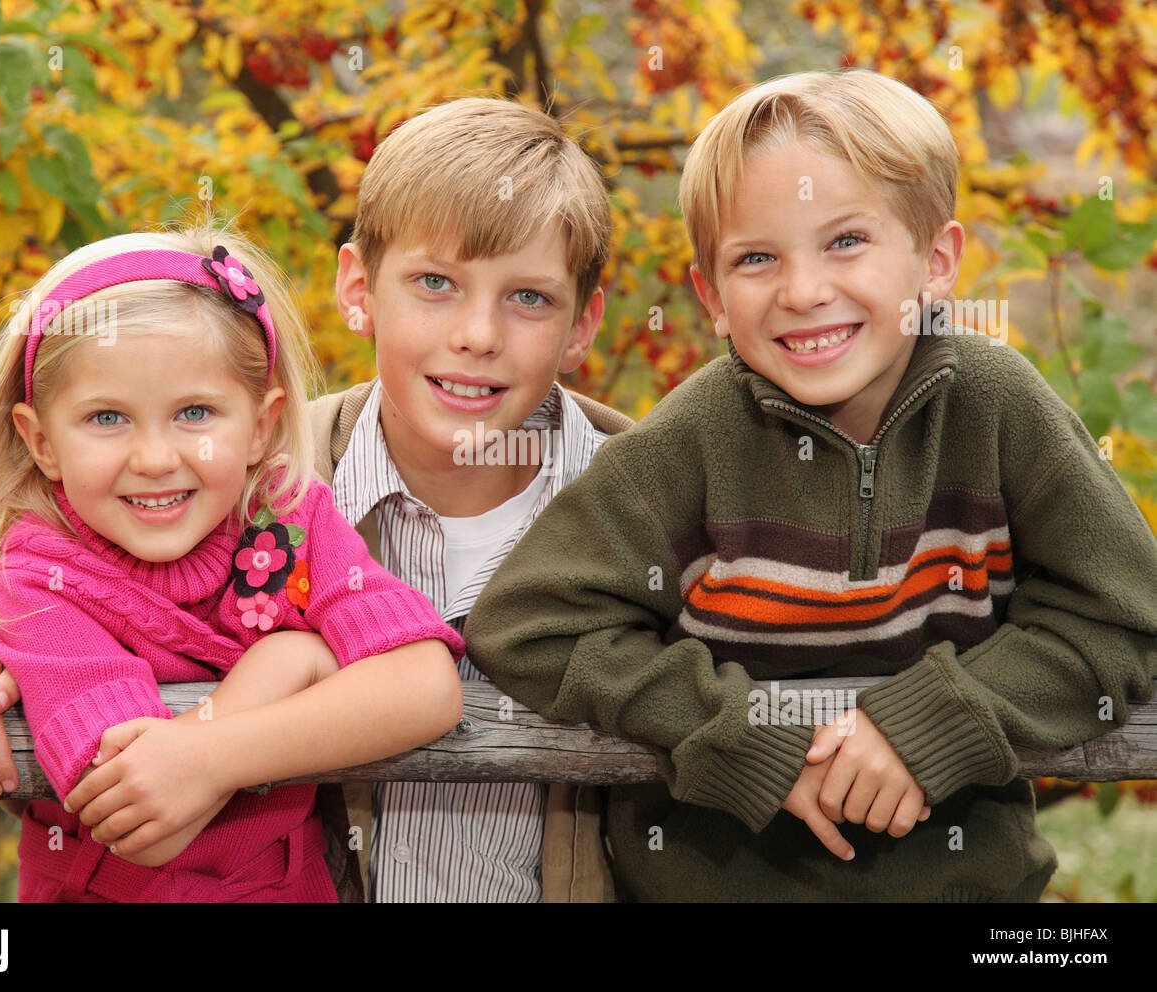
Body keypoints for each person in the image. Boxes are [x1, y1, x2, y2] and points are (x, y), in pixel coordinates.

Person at [0, 97, 631, 902]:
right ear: (357, 287)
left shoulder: (647, 507)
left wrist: (245, 707)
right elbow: (92, 619)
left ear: (582, 324)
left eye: (528, 298)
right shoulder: (258, 481)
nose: (479, 335)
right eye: (434, 283)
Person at [465, 69, 1157, 901]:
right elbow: (530, 624)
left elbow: (1126, 614)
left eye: (845, 242)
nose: (803, 292)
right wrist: (746, 737)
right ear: (711, 296)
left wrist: (937, 723)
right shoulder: (693, 440)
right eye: (756, 258)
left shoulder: (996, 408)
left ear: (936, 260)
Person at [0, 220, 465, 901]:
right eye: (107, 418)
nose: (155, 459)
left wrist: (210, 752)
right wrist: (291, 664)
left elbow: (428, 688)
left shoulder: (289, 521)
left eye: (196, 412)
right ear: (41, 441)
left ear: (260, 427)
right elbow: (139, 810)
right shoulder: (39, 577)